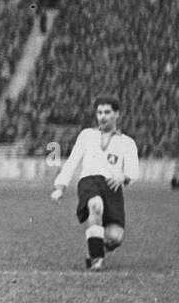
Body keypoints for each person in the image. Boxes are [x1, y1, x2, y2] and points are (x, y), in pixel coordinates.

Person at [51, 96, 141, 271]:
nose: (102, 116)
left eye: (107, 112)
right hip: (89, 181)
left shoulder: (127, 142)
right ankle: (96, 260)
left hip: (112, 187)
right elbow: (72, 161)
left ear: (117, 114)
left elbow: (133, 170)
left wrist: (124, 177)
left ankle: (93, 249)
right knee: (95, 205)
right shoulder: (87, 135)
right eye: (99, 112)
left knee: (115, 237)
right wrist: (60, 187)